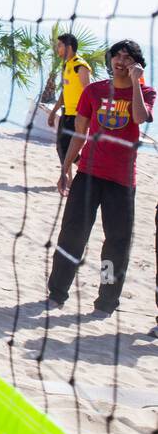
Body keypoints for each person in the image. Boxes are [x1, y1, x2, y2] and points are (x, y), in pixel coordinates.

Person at [48, 40, 154, 316]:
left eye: (127, 56)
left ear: (135, 63)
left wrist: (135, 83)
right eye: (117, 55)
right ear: (110, 59)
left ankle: (106, 302)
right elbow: (80, 132)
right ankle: (57, 292)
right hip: (89, 175)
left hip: (121, 182)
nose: (121, 60)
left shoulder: (144, 92)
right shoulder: (94, 91)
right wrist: (65, 167)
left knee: (115, 246)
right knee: (73, 235)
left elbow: (141, 117)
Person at [46, 32, 93, 166]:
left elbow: (89, 92)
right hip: (66, 112)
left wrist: (89, 116)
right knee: (61, 148)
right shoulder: (67, 65)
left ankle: (85, 171)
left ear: (69, 47)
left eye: (59, 45)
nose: (57, 49)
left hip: (78, 115)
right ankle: (69, 180)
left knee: (68, 149)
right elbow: (64, 92)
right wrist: (54, 111)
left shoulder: (81, 66)